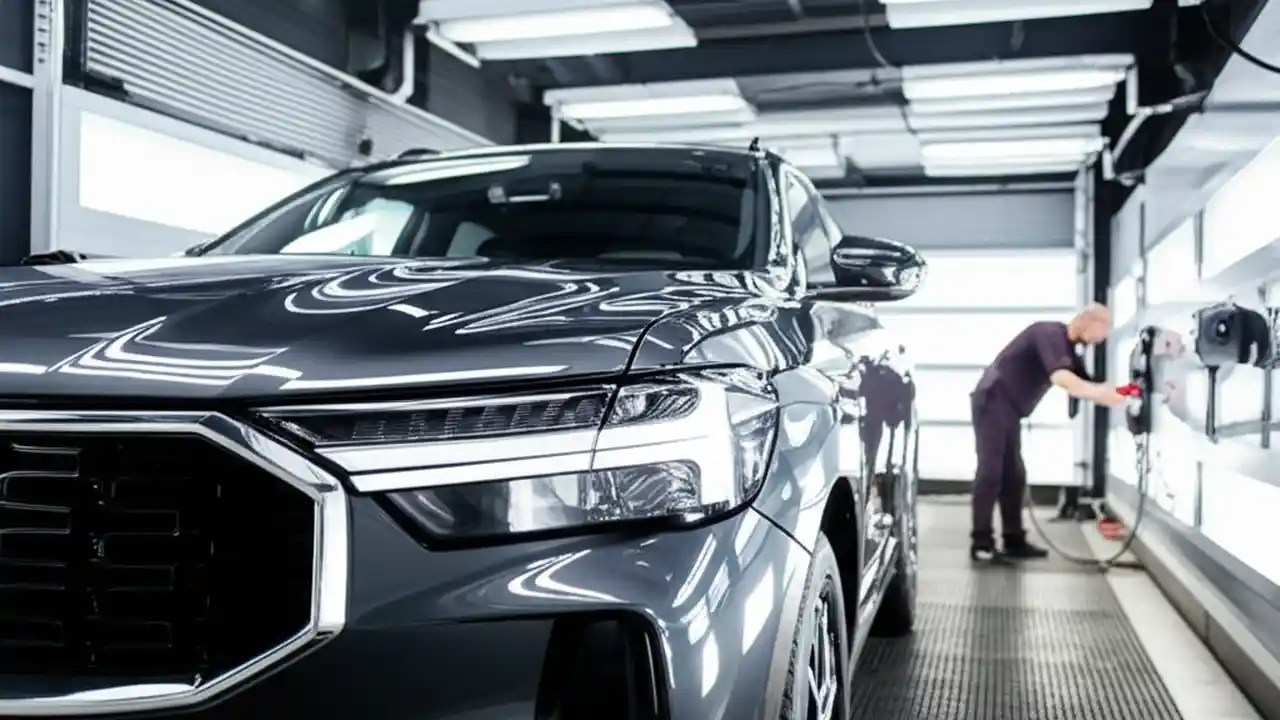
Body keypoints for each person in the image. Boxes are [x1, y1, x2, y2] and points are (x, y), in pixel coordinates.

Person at [969, 303, 1127, 561]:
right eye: (1103, 330)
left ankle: (1014, 540)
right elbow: (1064, 379)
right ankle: (981, 543)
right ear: (1089, 322)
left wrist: (1131, 392)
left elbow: (1092, 386)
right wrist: (1100, 393)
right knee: (991, 473)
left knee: (1015, 476)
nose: (1102, 339)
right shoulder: (1050, 334)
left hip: (1008, 409)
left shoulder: (1068, 349)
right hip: (993, 401)